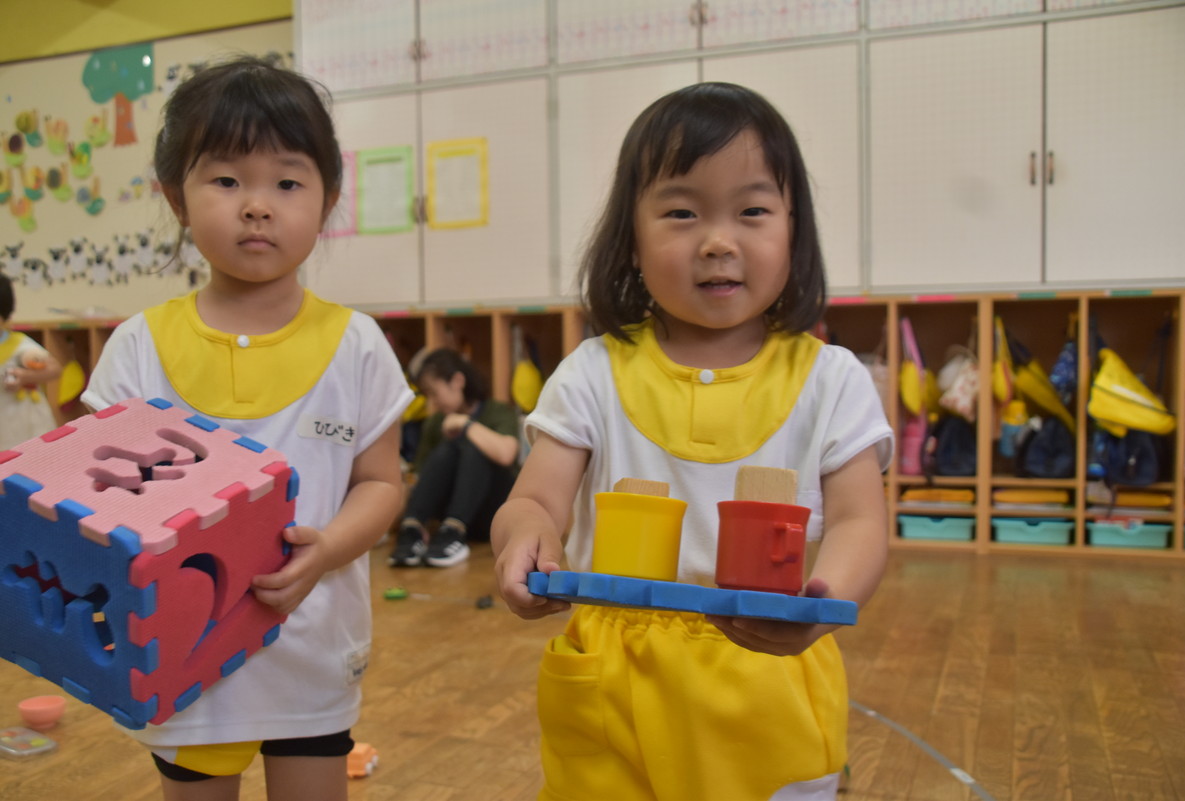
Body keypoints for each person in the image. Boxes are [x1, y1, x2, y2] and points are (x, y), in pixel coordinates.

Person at [491, 82, 893, 801]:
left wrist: (823, 595)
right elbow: (536, 498)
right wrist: (524, 536)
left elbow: (862, 519)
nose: (717, 240)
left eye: (753, 211)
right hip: (613, 675)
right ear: (631, 238)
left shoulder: (831, 379)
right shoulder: (593, 370)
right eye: (682, 212)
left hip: (767, 669)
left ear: (791, 228)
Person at [81, 57, 410, 801]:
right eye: (227, 180)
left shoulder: (355, 343)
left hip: (311, 647)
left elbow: (382, 483)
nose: (257, 206)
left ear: (326, 199)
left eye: (287, 182)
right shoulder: (139, 344)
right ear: (176, 197)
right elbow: (107, 499)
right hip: (183, 649)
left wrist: (326, 547)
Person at [389, 347, 520, 568]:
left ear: (457, 381)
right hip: (447, 511)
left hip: (493, 512)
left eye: (434, 392)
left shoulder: (497, 411)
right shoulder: (435, 422)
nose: (433, 401)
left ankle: (454, 530)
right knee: (450, 447)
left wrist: (466, 424)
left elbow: (507, 454)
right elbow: (419, 479)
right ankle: (412, 530)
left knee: (472, 445)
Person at [0, 274, 63, 450]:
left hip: (23, 422)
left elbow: (54, 369)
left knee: (28, 459)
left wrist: (25, 375)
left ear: (4, 317)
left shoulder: (19, 344)